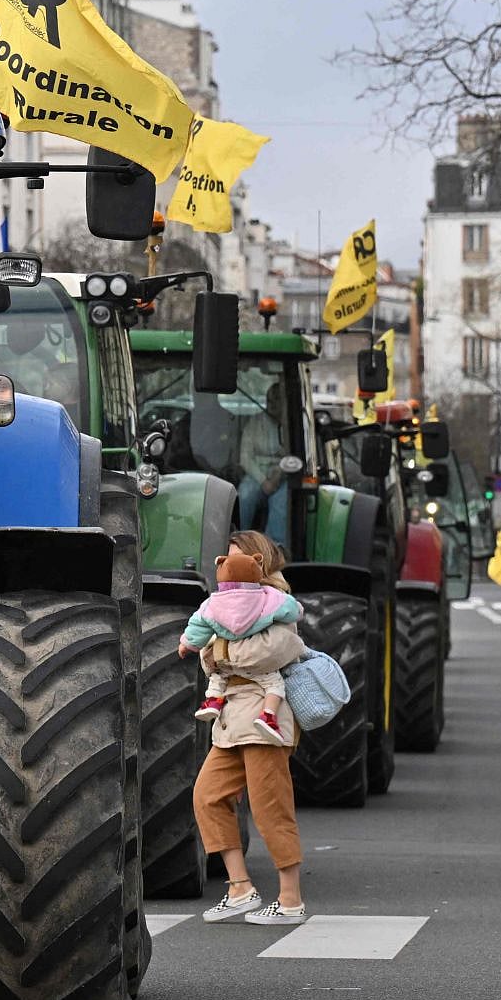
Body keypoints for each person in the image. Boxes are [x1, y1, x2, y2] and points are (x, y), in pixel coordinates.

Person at [192, 529, 307, 927]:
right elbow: (208, 659)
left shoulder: (277, 601)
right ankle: (240, 887)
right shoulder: (224, 605)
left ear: (258, 561)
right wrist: (219, 655)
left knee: (270, 807)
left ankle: (290, 900)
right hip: (229, 721)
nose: (228, 565)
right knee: (207, 796)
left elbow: (270, 652)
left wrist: (219, 650)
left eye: (236, 556)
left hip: (264, 719)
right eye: (226, 557)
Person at [178, 546, 303, 745]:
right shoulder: (270, 599)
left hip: (255, 736)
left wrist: (191, 645)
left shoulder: (212, 603)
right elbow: (293, 610)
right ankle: (269, 715)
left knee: (218, 676)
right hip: (230, 730)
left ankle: (212, 699)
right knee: (274, 684)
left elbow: (200, 634)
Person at [237, 381, 288, 543]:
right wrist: (264, 481)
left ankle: (274, 547)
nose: (273, 405)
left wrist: (279, 473)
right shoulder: (255, 423)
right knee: (244, 495)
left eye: (278, 400)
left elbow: (298, 457)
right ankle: (239, 540)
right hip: (257, 473)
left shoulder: (293, 425)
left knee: (281, 503)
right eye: (270, 401)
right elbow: (245, 458)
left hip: (284, 476)